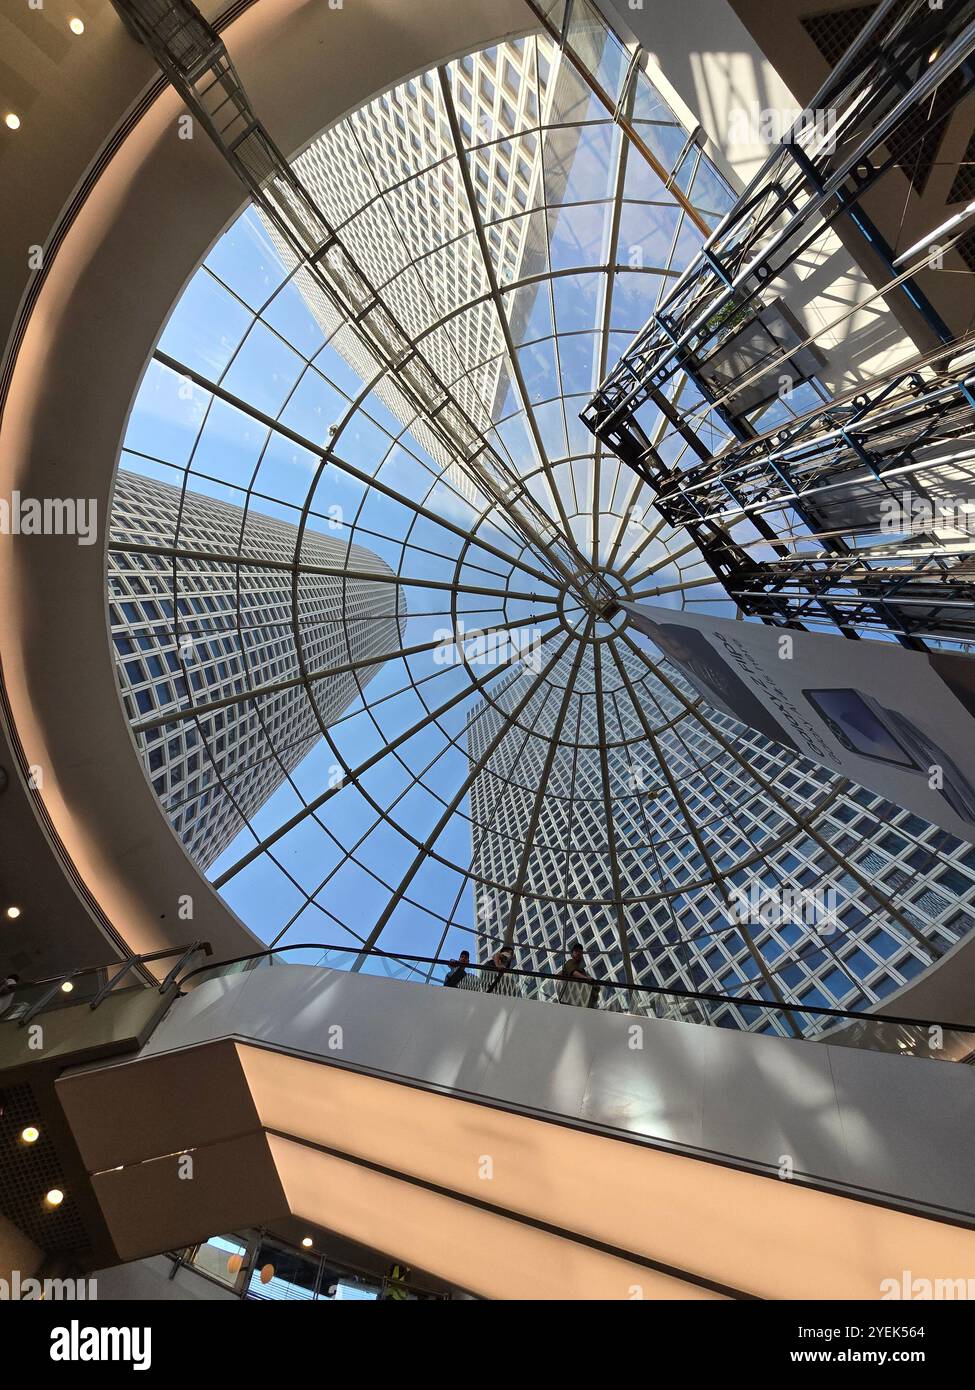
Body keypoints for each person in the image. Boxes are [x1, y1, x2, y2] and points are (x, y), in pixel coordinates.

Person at [557, 943, 598, 1008]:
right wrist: (586, 978)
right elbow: (574, 972)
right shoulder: (570, 962)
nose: (578, 953)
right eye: (576, 951)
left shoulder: (582, 970)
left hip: (578, 998)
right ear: (572, 954)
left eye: (580, 952)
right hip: (571, 998)